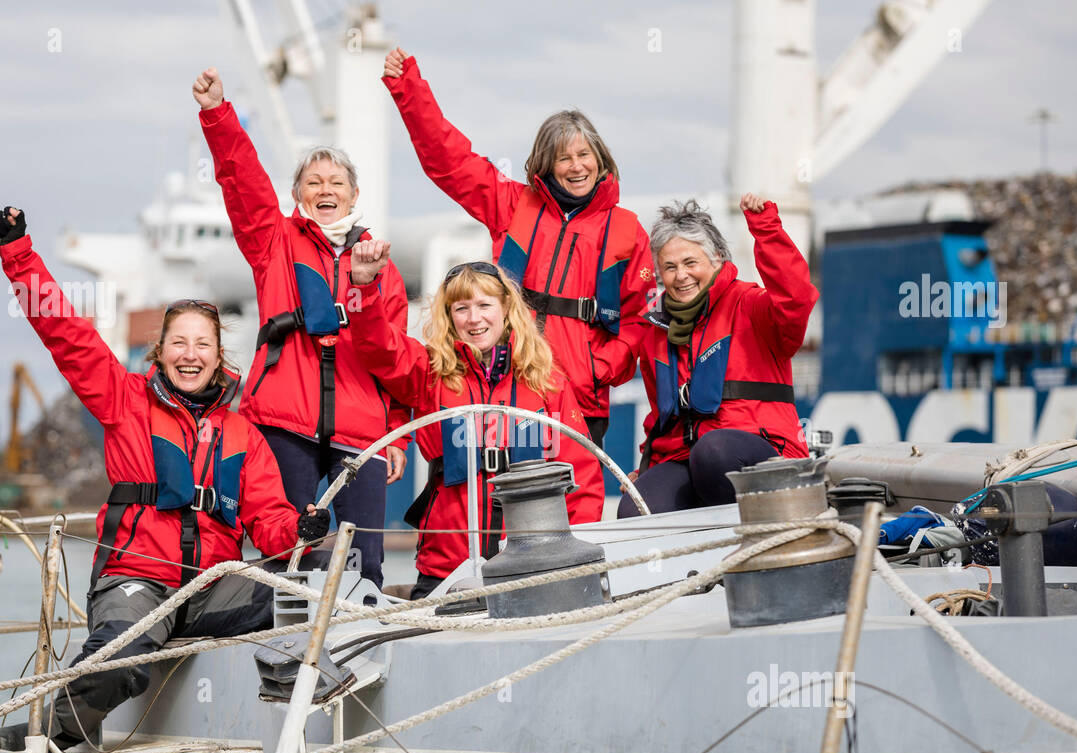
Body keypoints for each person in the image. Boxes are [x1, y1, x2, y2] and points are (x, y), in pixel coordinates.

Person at [0, 207, 327, 752]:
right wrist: (18, 253)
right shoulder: (123, 401)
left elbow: (269, 520)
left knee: (314, 588)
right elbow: (66, 334)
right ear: (160, 351)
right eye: (179, 344)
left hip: (213, 590)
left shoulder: (243, 433)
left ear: (219, 358)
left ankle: (302, 720)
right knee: (121, 656)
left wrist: (300, 532)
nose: (190, 355)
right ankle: (52, 727)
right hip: (137, 582)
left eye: (202, 345)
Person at [194, 67, 410, 588]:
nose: (325, 189)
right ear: (298, 194)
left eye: (336, 182)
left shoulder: (383, 264)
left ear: (354, 195)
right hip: (281, 423)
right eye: (313, 182)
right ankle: (283, 653)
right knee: (287, 551)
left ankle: (364, 645)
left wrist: (399, 428)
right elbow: (242, 182)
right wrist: (218, 113)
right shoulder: (274, 243)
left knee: (367, 559)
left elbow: (400, 354)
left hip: (362, 431)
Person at [381, 48, 655, 449]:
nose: (576, 167)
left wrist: (601, 368)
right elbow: (448, 161)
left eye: (584, 155)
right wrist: (409, 88)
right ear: (546, 163)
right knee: (489, 502)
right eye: (564, 158)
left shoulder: (627, 230)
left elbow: (641, 318)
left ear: (601, 159)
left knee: (574, 507)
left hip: (580, 397)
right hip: (501, 387)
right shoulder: (511, 205)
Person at [347, 246, 604, 598]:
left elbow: (582, 477)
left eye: (484, 305)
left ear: (506, 310)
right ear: (450, 317)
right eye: (462, 308)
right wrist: (363, 285)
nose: (474, 318)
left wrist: (570, 558)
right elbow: (379, 346)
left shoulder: (548, 382)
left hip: (533, 567)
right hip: (446, 569)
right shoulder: (429, 373)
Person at [618, 196, 817, 517]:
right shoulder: (657, 330)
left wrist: (766, 229)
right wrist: (648, 469)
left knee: (714, 452)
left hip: (758, 451)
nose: (681, 275)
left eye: (690, 262)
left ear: (717, 259)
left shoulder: (751, 305)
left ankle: (747, 551)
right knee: (636, 510)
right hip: (684, 457)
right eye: (669, 267)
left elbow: (796, 297)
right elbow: (660, 417)